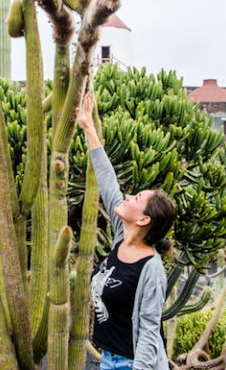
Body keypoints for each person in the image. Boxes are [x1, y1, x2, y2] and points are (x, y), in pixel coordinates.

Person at [76, 93, 175, 370]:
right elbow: (108, 181)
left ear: (143, 220)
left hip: (132, 365)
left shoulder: (151, 269)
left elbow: (150, 332)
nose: (128, 197)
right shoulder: (121, 236)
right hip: (109, 359)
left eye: (137, 198)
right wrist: (88, 127)